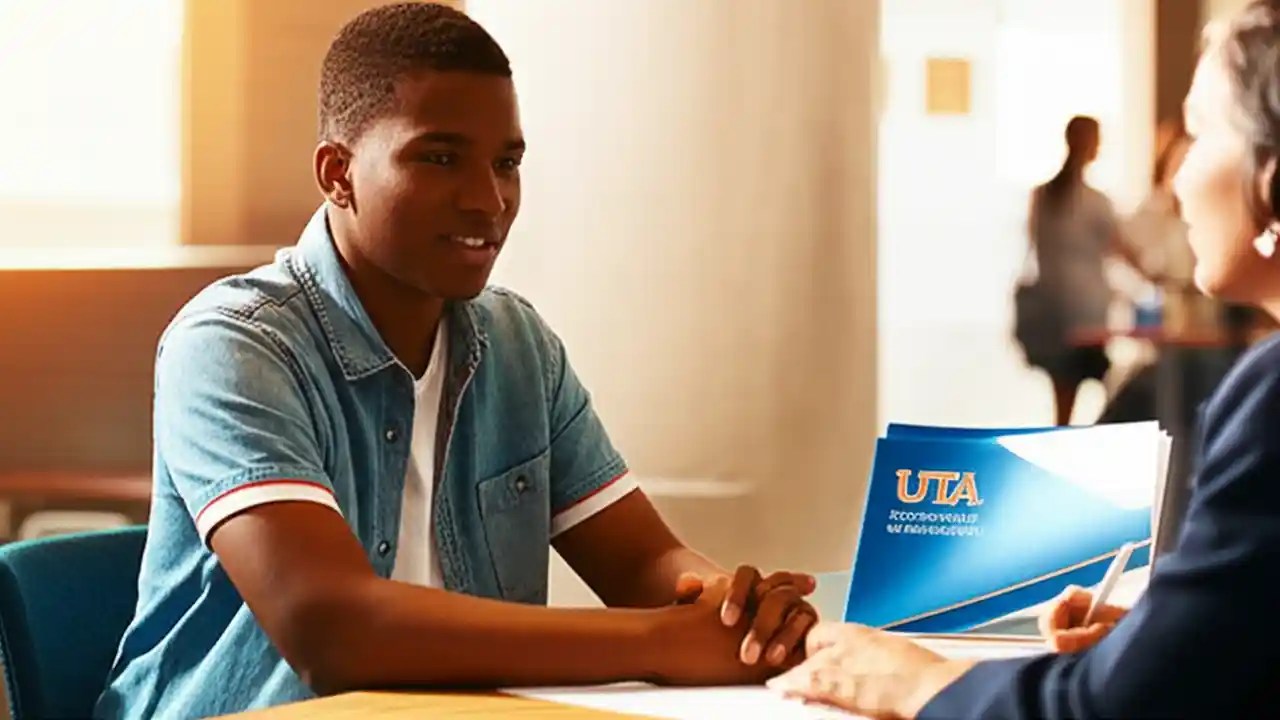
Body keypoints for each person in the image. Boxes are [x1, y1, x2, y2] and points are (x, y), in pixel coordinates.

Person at [94, 5, 816, 718]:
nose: (489, 200)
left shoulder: (517, 345)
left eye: (506, 163)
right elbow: (332, 629)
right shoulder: (234, 344)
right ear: (337, 172)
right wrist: (658, 641)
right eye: (439, 158)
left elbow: (641, 563)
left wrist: (734, 611)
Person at [768, 2, 1280, 717]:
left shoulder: (1270, 397)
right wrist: (1181, 639)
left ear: (1271, 179)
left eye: (1197, 136)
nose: (1181, 177)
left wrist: (916, 680)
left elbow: (1110, 710)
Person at [1023, 116, 1139, 426]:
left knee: (1063, 400)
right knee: (1116, 391)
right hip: (1086, 313)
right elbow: (1123, 250)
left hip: (1054, 310)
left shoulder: (1042, 196)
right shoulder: (1094, 202)